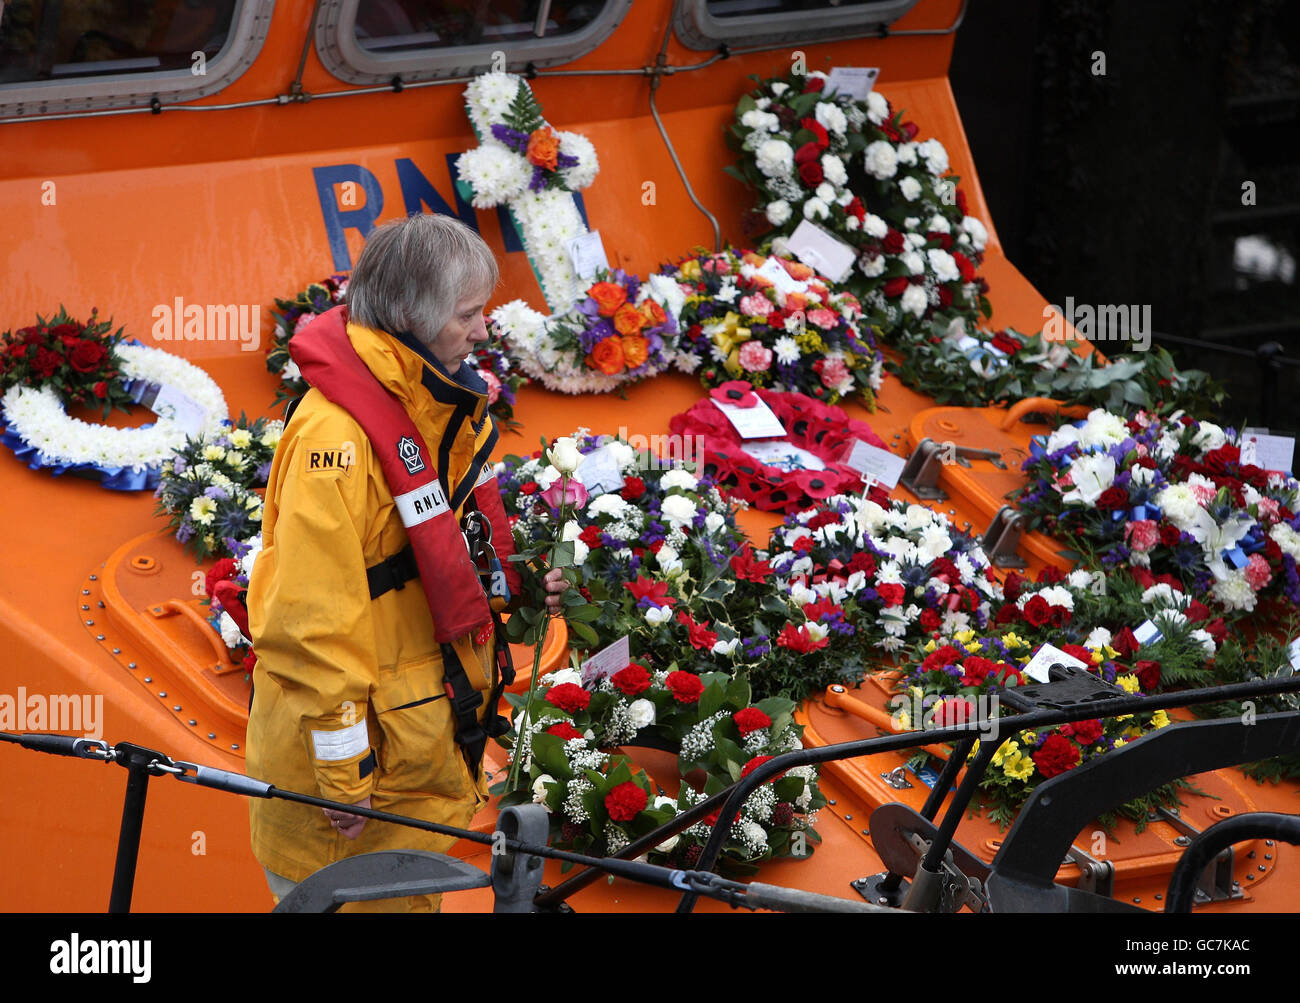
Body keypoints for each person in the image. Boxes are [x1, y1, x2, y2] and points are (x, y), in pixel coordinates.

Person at [245, 213, 566, 911]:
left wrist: (532, 580)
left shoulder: (425, 400)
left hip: (410, 769)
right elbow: (309, 623)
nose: (483, 331)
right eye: (468, 314)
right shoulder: (337, 439)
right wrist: (341, 775)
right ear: (409, 318)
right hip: (350, 811)